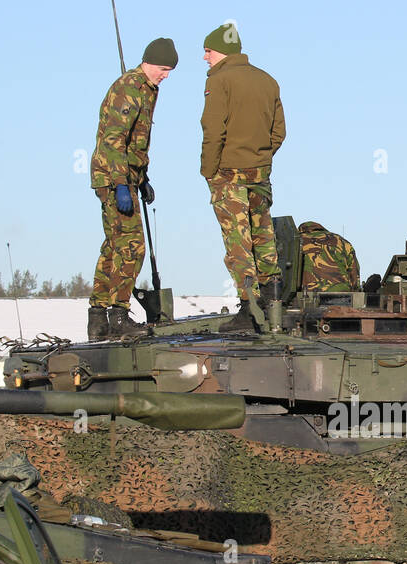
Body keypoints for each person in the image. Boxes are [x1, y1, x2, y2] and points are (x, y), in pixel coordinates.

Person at [89, 37, 179, 341]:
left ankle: (98, 317)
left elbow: (136, 141)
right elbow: (114, 138)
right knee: (132, 244)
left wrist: (143, 177)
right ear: (150, 62)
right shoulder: (129, 87)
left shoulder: (147, 90)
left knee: (115, 244)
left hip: (125, 175)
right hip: (115, 176)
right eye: (164, 69)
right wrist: (120, 184)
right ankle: (118, 313)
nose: (166, 75)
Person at [200, 23, 285, 329]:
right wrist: (260, 158)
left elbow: (212, 129)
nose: (205, 57)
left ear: (220, 51)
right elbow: (279, 133)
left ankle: (249, 308)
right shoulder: (268, 81)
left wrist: (209, 170)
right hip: (260, 174)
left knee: (238, 242)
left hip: (228, 175)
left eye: (207, 51)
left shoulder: (219, 80)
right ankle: (273, 301)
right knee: (264, 237)